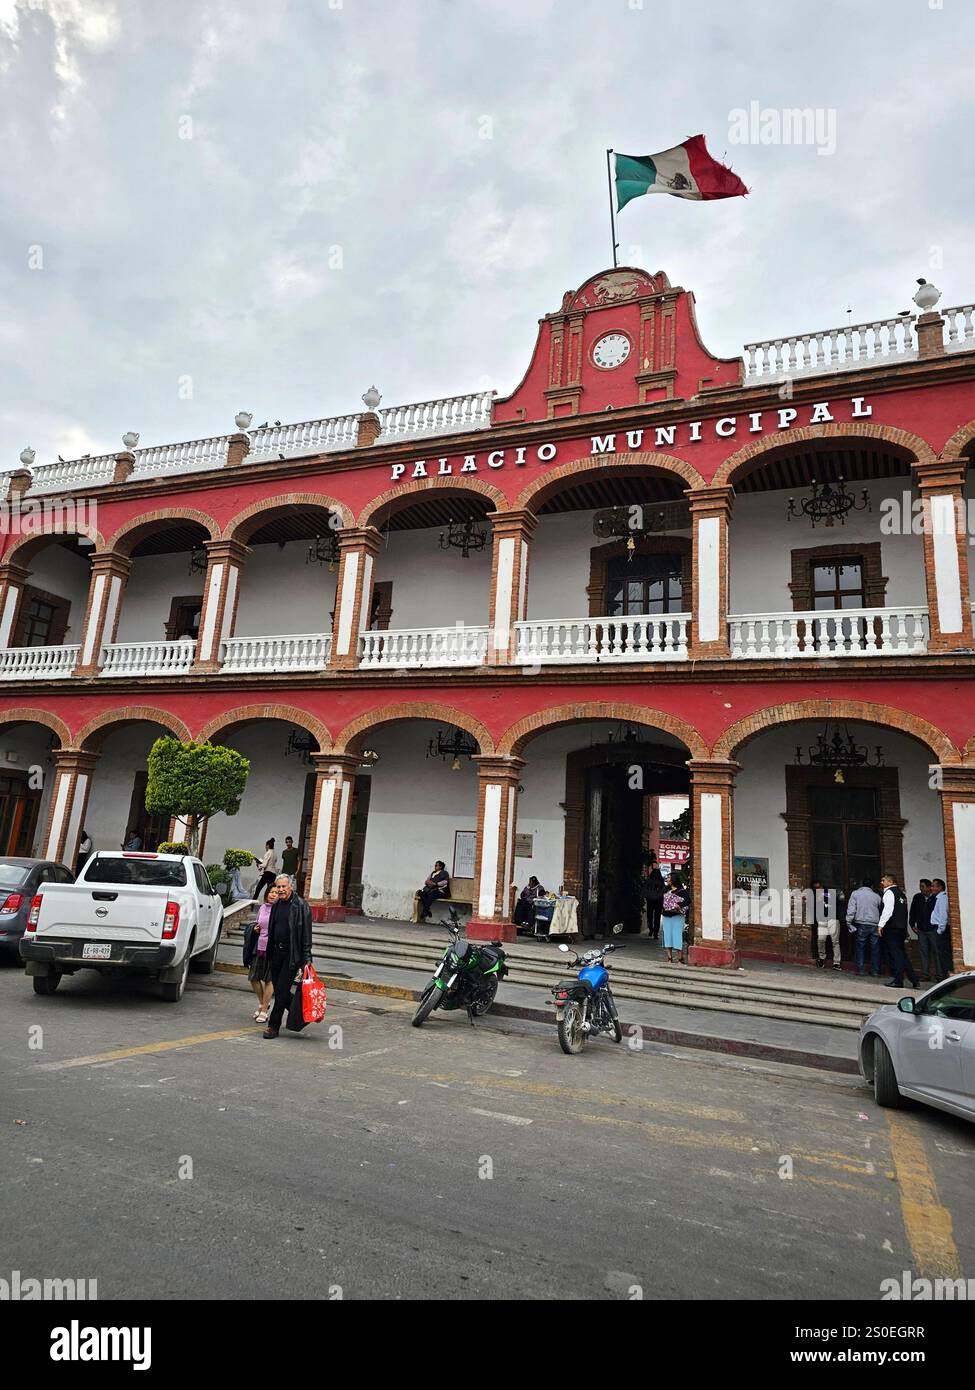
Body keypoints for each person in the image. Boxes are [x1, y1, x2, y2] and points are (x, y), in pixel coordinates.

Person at [262, 875, 313, 1039]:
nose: (281, 890)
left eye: (284, 886)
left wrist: (307, 958)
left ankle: (273, 1027)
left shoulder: (301, 906)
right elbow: (272, 929)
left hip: (292, 955)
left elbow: (306, 934)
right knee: (279, 989)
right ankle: (301, 1014)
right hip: (276, 952)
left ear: (291, 887)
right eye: (279, 887)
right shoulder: (276, 905)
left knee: (282, 990)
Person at [877, 873, 919, 989]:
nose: (882, 883)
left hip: (892, 927)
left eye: (883, 880)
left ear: (890, 882)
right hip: (900, 928)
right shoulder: (901, 894)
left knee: (896, 955)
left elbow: (888, 911)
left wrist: (880, 925)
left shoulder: (889, 893)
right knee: (902, 954)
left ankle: (898, 979)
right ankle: (914, 979)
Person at [244, 886, 278, 1023]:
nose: (274, 894)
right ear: (267, 894)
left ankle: (264, 1010)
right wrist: (256, 929)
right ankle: (263, 1003)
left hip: (273, 948)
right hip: (259, 946)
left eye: (276, 892)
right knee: (253, 977)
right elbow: (258, 924)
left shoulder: (280, 909)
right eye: (271, 892)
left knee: (269, 979)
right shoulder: (263, 908)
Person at [846, 878, 883, 977]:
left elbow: (851, 909)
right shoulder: (877, 896)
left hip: (861, 923)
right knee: (875, 948)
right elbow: (880, 909)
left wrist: (848, 921)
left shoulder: (855, 894)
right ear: (871, 886)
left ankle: (861, 970)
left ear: (861, 884)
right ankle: (875, 971)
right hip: (875, 923)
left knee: (860, 947)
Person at [909, 879, 938, 981]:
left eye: (923, 886)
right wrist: (912, 924)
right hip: (921, 929)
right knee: (923, 952)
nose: (921, 889)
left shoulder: (935, 898)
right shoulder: (917, 897)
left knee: (936, 952)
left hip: (933, 929)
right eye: (920, 886)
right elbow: (913, 911)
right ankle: (925, 974)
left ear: (929, 887)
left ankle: (939, 975)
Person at [812, 881, 841, 970]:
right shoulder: (814, 897)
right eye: (816, 888)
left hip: (833, 918)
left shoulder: (829, 893)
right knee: (821, 940)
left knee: (835, 941)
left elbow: (837, 899)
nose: (818, 889)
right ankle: (821, 958)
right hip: (821, 920)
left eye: (819, 887)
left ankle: (836, 962)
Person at [929, 879, 953, 980]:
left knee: (944, 955)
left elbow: (943, 916)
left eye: (934, 886)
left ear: (940, 887)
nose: (932, 888)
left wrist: (940, 931)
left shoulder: (942, 899)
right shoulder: (938, 898)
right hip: (939, 929)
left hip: (941, 930)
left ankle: (946, 978)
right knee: (941, 955)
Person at [661, 880, 688, 965]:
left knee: (677, 936)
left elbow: (687, 901)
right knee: (667, 936)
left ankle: (680, 958)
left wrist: (678, 906)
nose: (667, 879)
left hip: (677, 916)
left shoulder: (682, 891)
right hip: (666, 915)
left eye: (669, 877)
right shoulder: (665, 890)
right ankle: (669, 958)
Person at [645, 866, 666, 941]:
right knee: (657, 917)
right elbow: (664, 891)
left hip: (650, 900)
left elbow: (645, 890)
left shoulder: (649, 881)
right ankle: (656, 933)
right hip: (659, 901)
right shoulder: (661, 882)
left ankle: (651, 929)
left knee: (650, 915)